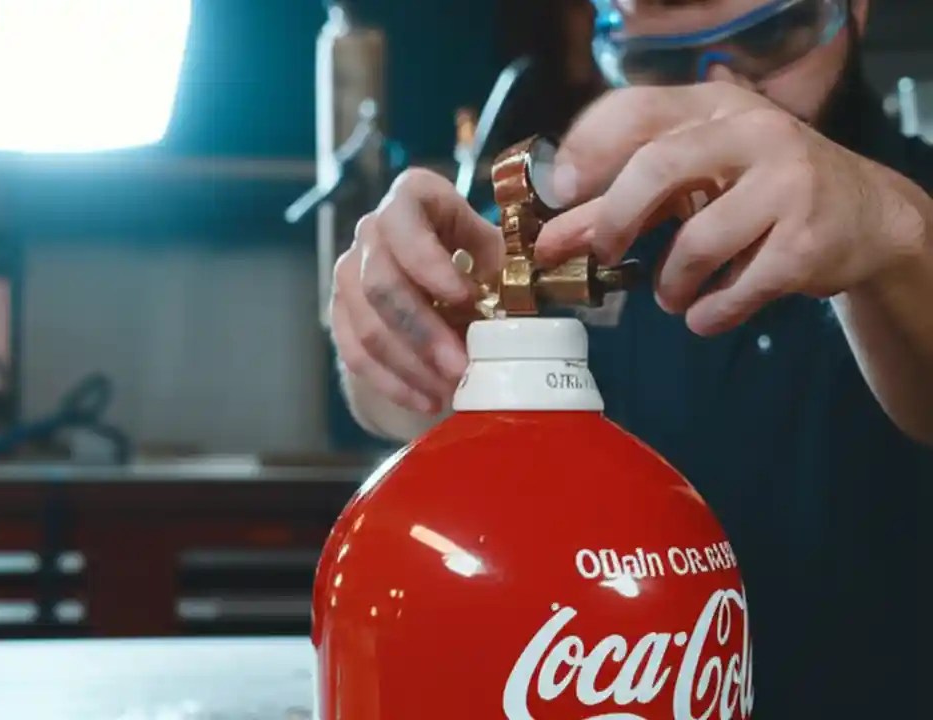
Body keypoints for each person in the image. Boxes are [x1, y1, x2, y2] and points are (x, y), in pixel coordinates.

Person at [329, 0, 932, 716]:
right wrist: (406, 322)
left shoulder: (910, 214)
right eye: (661, 65)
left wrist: (893, 234)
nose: (724, 97)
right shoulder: (585, 225)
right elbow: (390, 403)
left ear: (853, 10)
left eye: (770, 39)